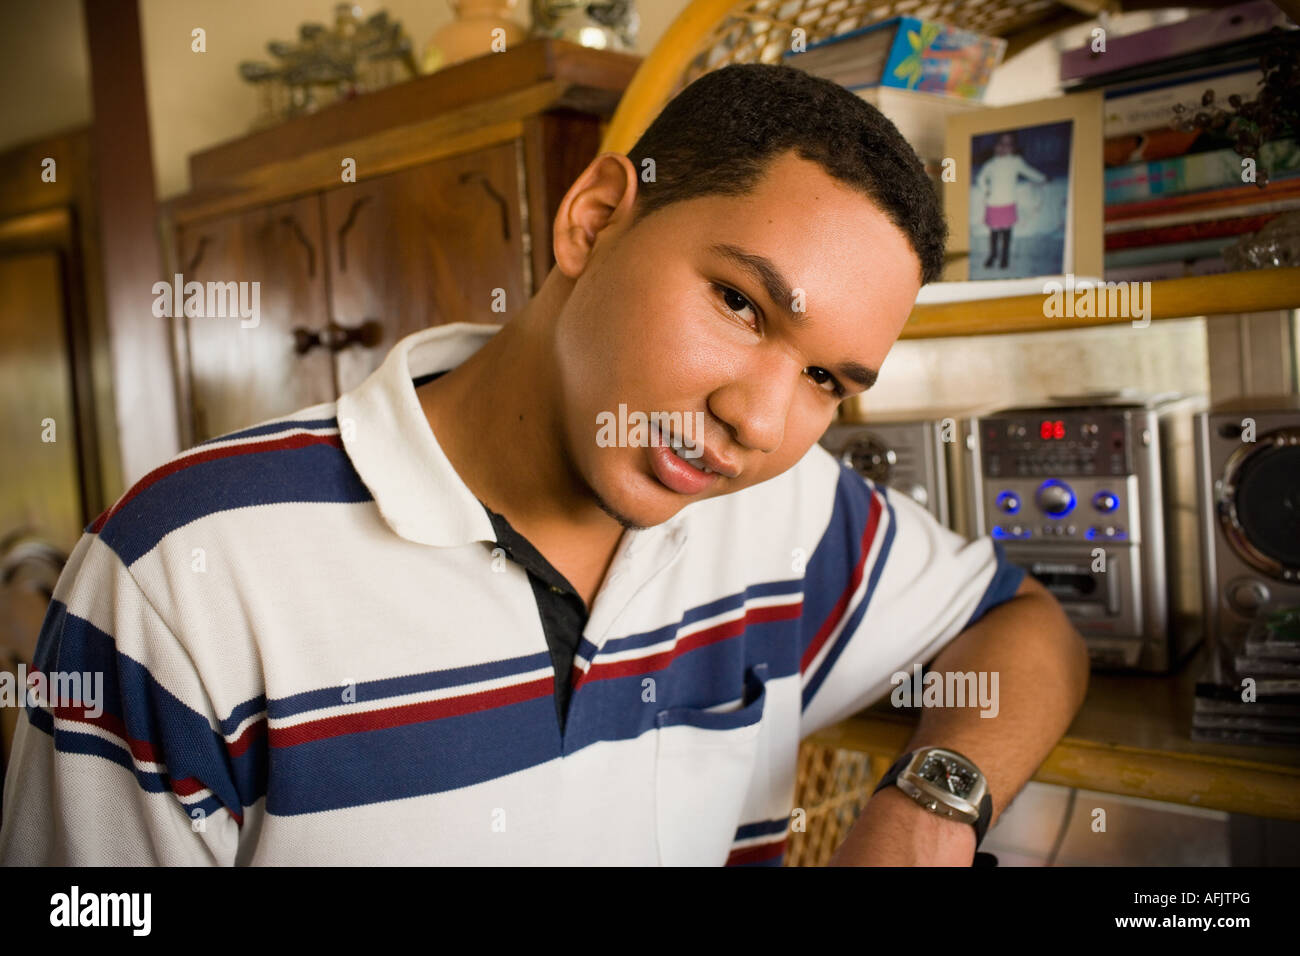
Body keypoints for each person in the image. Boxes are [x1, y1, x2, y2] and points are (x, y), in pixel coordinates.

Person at [0, 64, 1088, 866]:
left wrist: (929, 803)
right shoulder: (180, 570)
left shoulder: (790, 517)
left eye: (826, 381)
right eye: (738, 303)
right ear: (594, 218)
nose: (757, 418)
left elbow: (1026, 624)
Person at [976, 131, 1048, 270]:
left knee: (1007, 233)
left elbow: (1029, 171)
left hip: (1008, 203)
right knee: (994, 233)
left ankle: (1004, 256)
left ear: (1013, 147)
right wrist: (986, 190)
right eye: (1001, 143)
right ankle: (993, 254)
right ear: (995, 146)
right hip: (993, 204)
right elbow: (980, 178)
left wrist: (1043, 178)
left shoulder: (1016, 162)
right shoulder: (991, 164)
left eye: (1008, 144)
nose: (1004, 147)